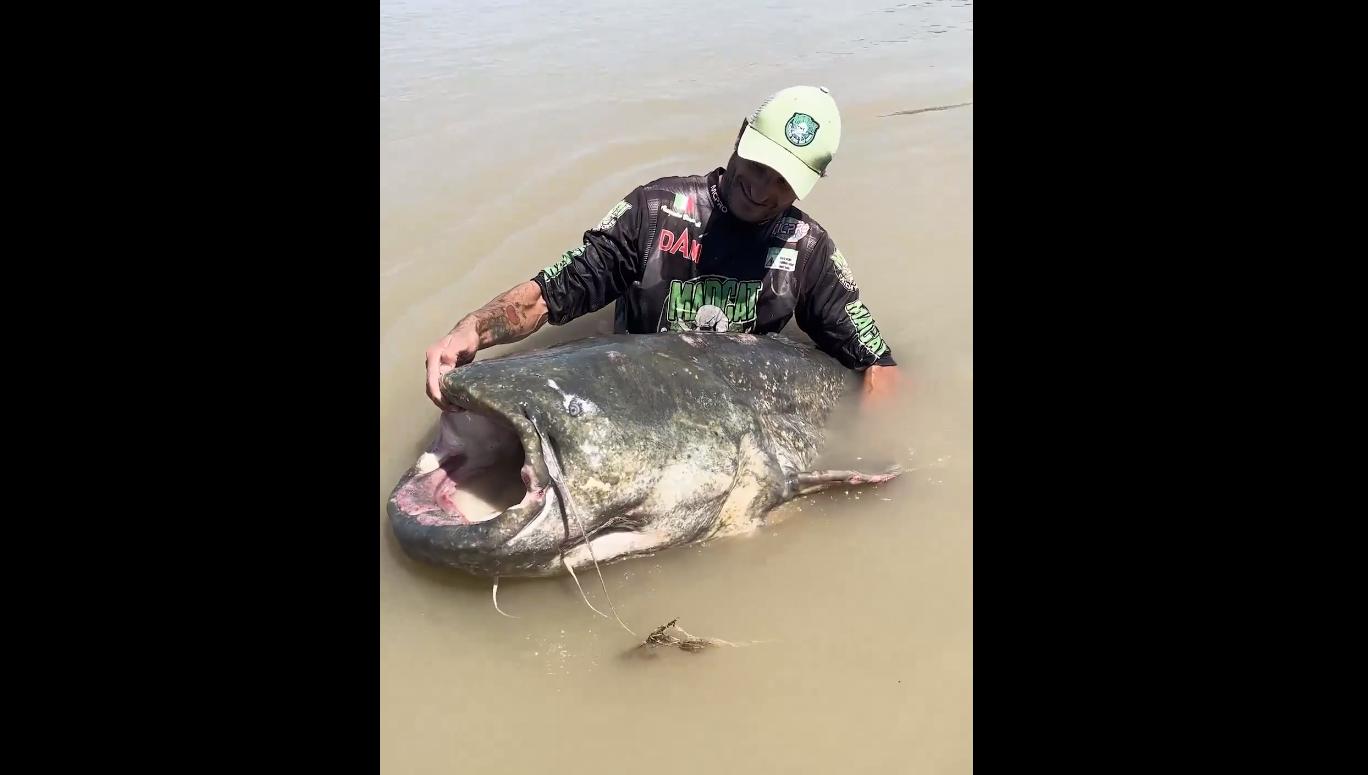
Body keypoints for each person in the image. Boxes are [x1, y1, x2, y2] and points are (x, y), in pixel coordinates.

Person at [425, 85, 899, 410]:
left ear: (808, 186)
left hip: (737, 411)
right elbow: (549, 295)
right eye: (757, 164)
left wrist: (872, 449)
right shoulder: (655, 212)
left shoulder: (806, 250)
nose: (760, 188)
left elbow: (878, 366)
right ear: (739, 137)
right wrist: (472, 331)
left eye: (782, 181)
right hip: (634, 394)